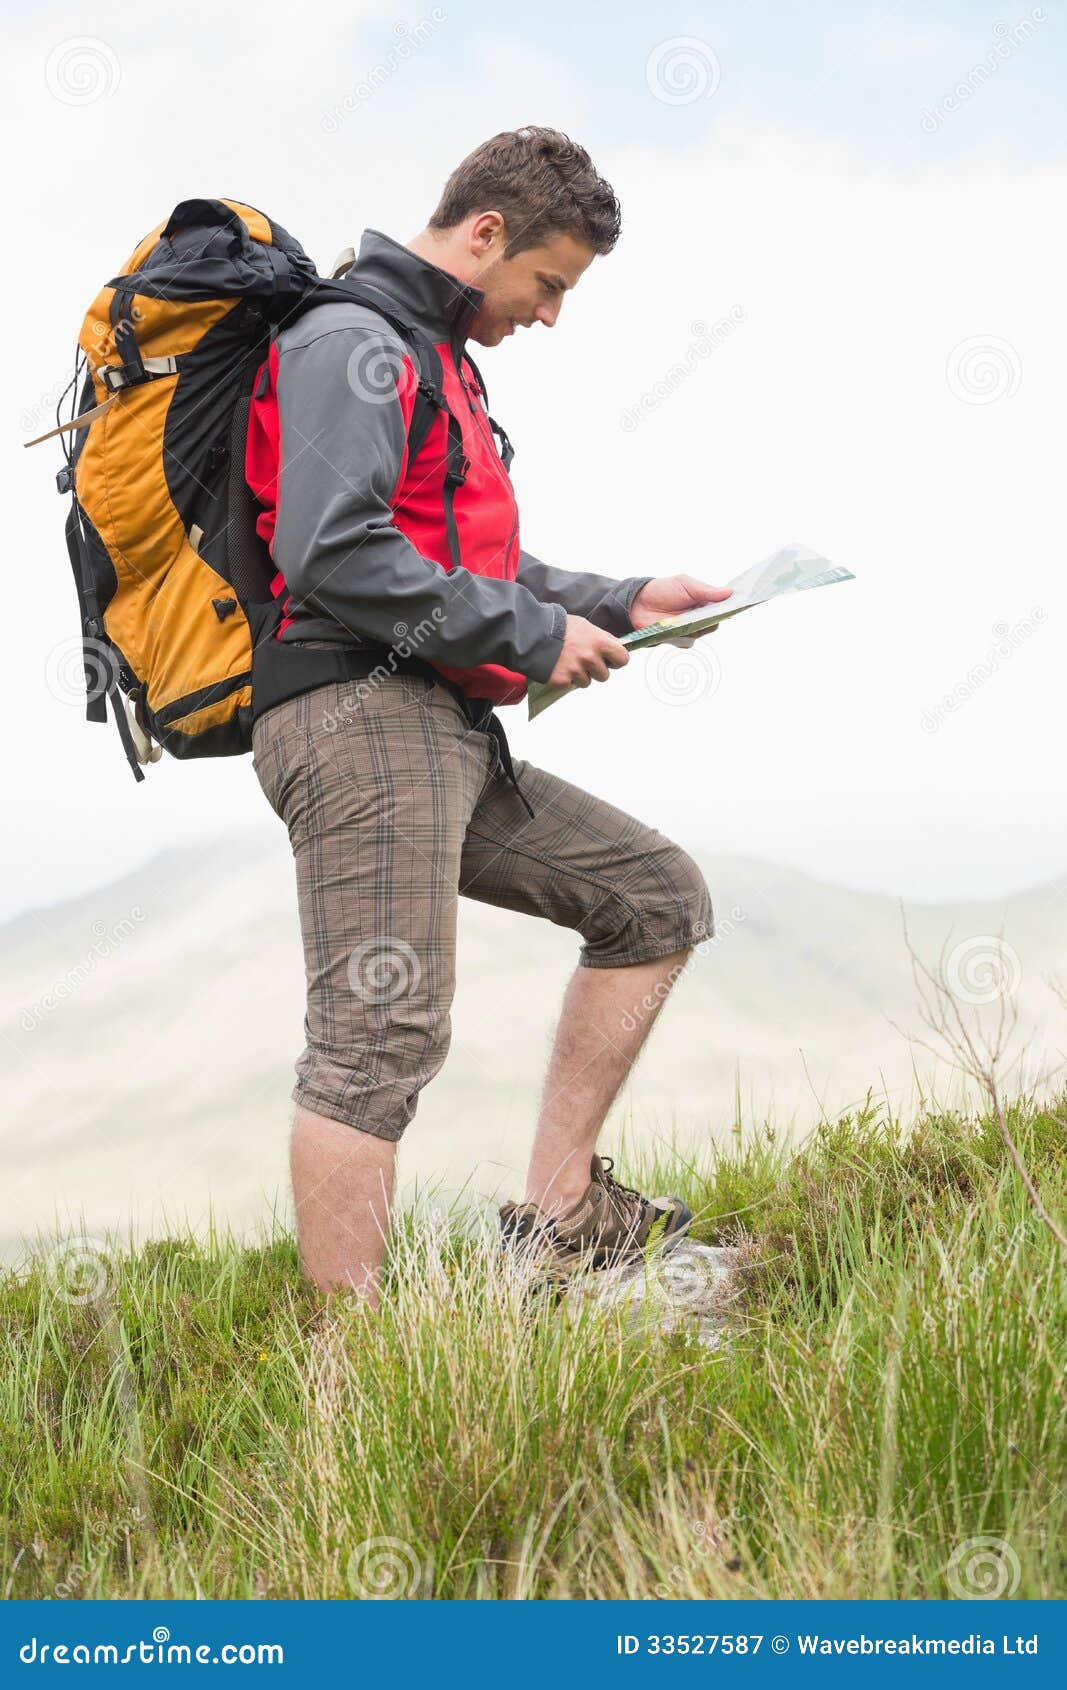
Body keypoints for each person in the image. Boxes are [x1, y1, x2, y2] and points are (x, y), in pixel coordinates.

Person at [245, 126, 731, 1305]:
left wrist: (620, 601)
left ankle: (559, 1218)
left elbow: (465, 558)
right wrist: (529, 639)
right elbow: (331, 552)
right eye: (547, 283)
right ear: (485, 233)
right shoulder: (350, 342)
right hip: (359, 715)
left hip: (442, 725)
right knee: (379, 1041)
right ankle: (353, 1384)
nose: (550, 315)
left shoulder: (434, 354)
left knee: (651, 896)